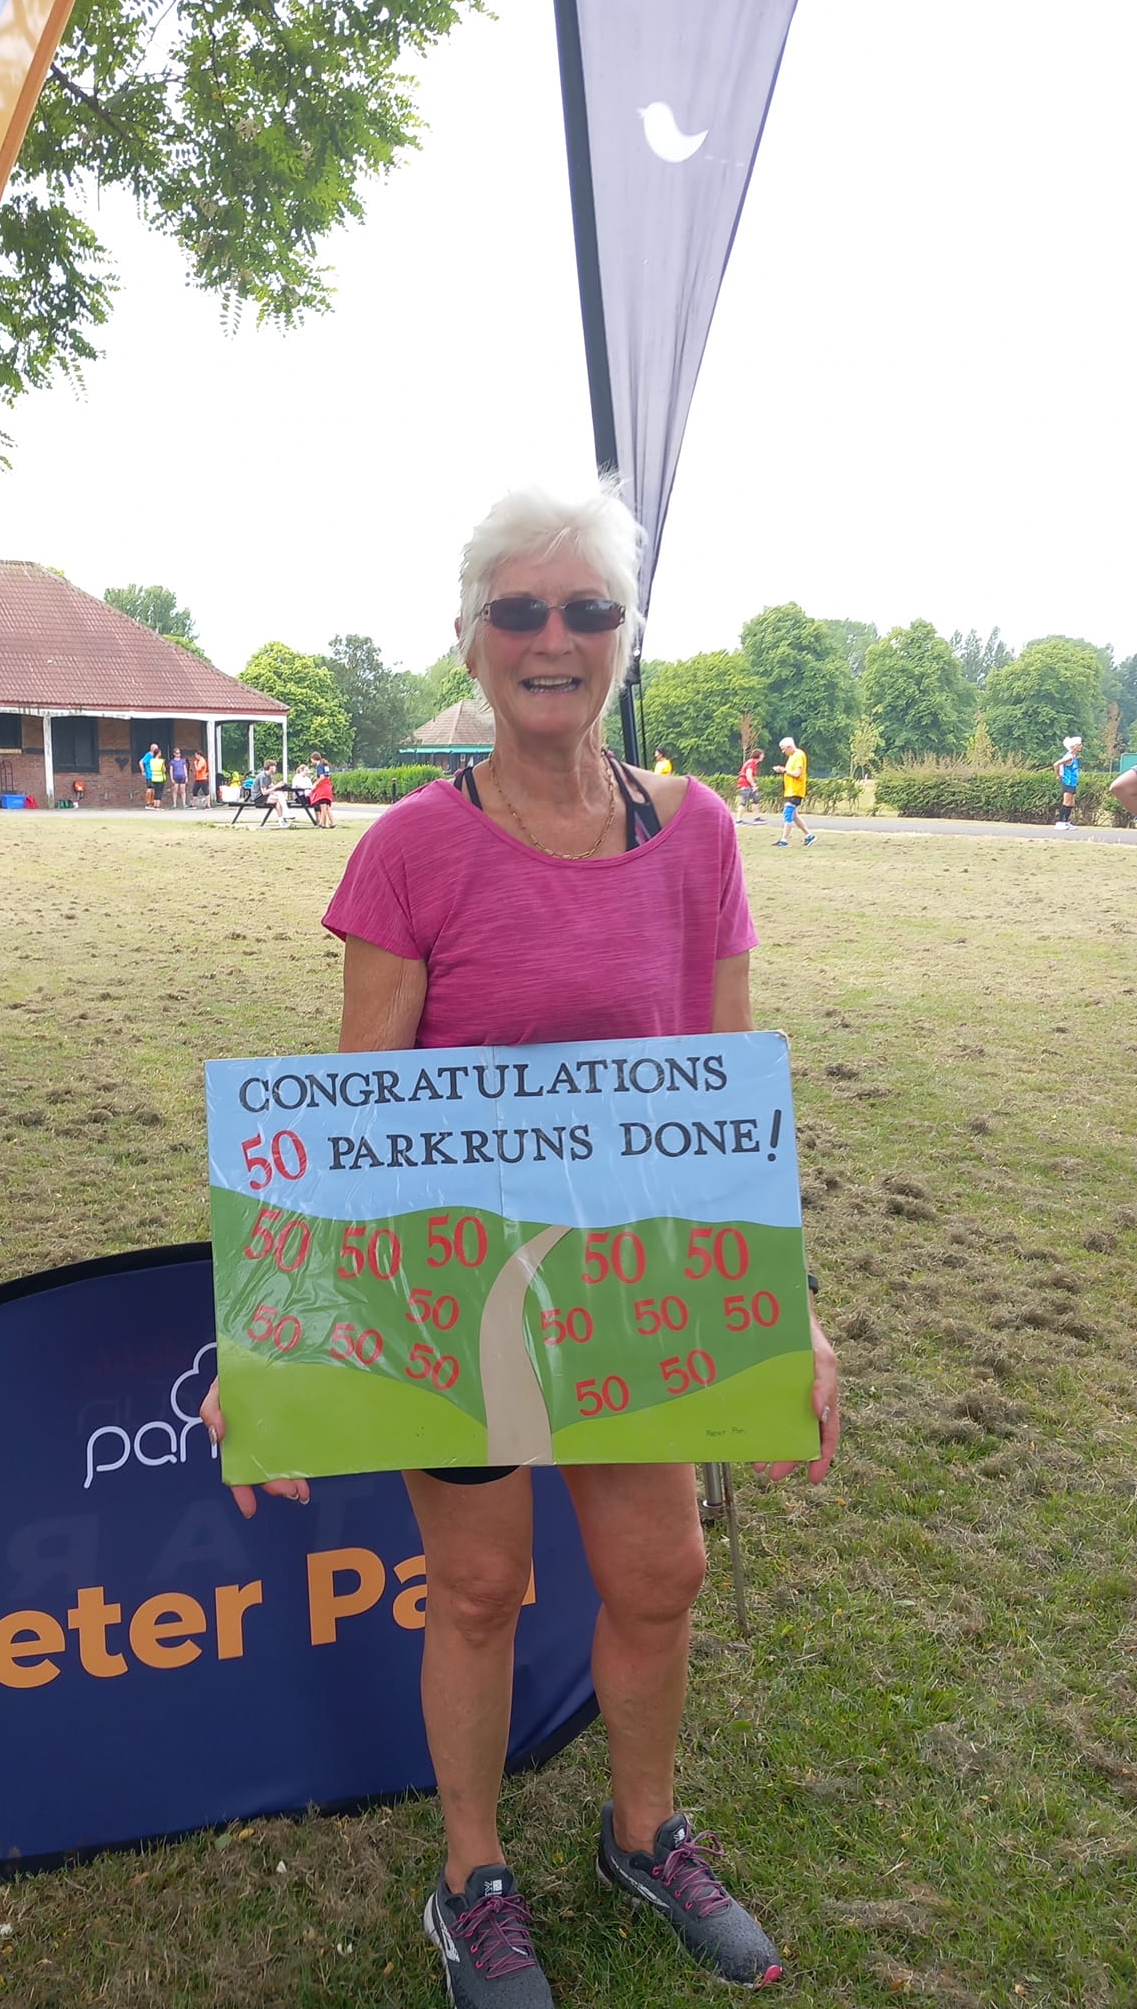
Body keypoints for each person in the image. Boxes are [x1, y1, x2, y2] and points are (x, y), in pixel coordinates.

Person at [203, 482, 839, 2006]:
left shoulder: (698, 836)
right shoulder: (413, 851)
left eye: (588, 610)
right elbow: (355, 1107)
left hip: (637, 1288)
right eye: (520, 611)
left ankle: (641, 1834)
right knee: (477, 1593)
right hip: (455, 1287)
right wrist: (276, 1326)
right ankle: (473, 1877)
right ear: (475, 639)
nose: (554, 639)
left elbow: (721, 1094)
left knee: (664, 1574)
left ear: (626, 634)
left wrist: (790, 1312)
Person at [772, 736, 813, 846]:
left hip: (796, 790)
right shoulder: (791, 756)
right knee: (794, 815)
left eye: (783, 748)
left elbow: (797, 773)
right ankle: (809, 835)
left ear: (789, 747)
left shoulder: (799, 755)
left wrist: (784, 770)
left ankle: (784, 840)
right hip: (790, 790)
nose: (783, 751)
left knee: (788, 812)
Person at [1054, 736, 1082, 827]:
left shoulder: (1074, 756)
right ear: (1073, 746)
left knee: (1071, 802)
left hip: (1073, 782)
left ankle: (1066, 821)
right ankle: (1061, 822)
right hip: (1068, 781)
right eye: (1079, 745)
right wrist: (1058, 775)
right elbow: (1056, 764)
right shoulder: (1069, 757)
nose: (1081, 746)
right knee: (1066, 802)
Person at [735, 747, 764, 825]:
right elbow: (748, 775)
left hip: (749, 784)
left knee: (756, 800)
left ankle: (756, 818)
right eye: (762, 755)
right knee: (744, 801)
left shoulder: (754, 764)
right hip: (745, 784)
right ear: (758, 755)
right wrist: (753, 785)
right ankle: (738, 820)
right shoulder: (751, 763)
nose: (763, 756)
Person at [309, 752, 337, 829]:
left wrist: (315, 784)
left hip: (322, 788)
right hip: (328, 787)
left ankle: (322, 823)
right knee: (327, 807)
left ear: (313, 759)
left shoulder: (319, 766)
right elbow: (327, 776)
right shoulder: (325, 765)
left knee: (323, 807)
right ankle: (333, 823)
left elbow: (321, 777)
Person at [140, 743, 167, 807]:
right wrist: (143, 770)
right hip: (149, 775)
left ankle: (153, 802)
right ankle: (148, 802)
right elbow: (141, 762)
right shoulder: (148, 755)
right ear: (152, 749)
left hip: (155, 775)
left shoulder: (155, 757)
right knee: (150, 788)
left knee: (154, 789)